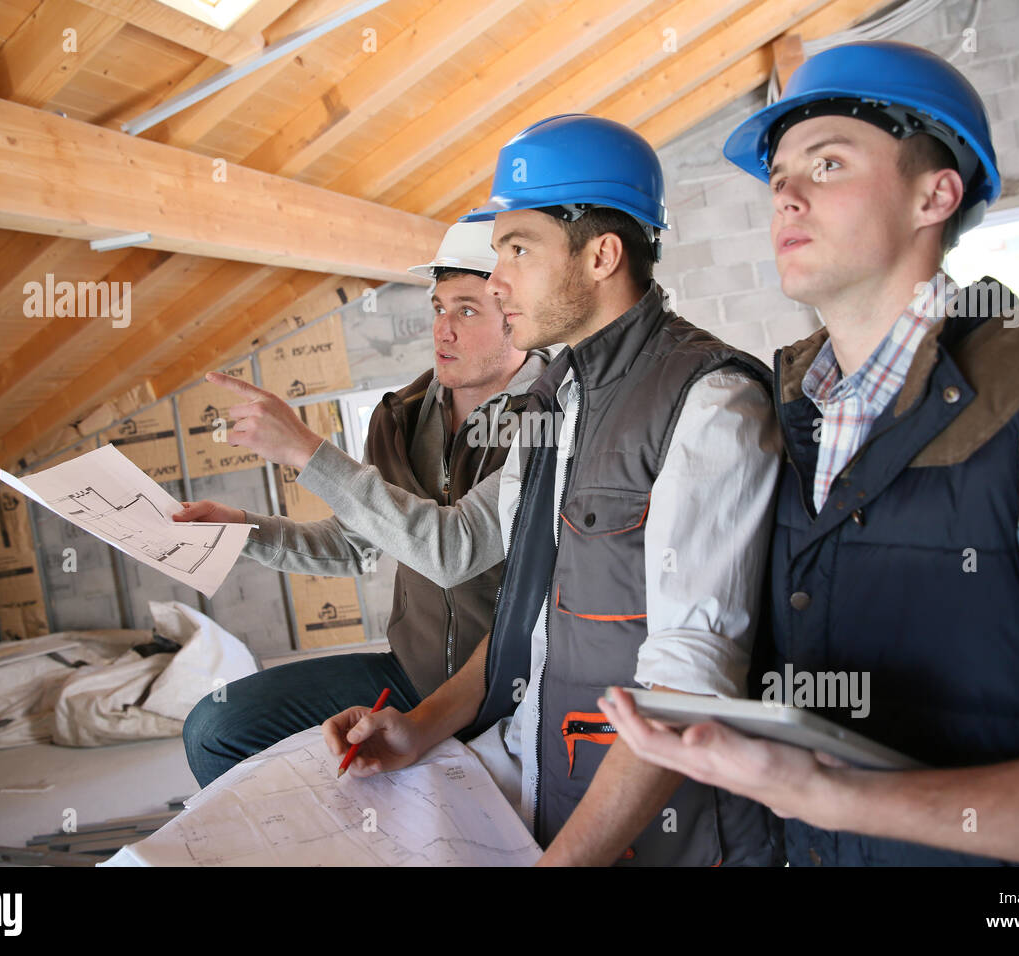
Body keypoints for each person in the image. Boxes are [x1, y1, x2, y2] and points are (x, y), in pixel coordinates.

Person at [600, 40, 1019, 866]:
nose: (786, 196)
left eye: (826, 164)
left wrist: (835, 795)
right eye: (778, 176)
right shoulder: (788, 412)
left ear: (935, 195)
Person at [207, 114, 785, 866]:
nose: (499, 275)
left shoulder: (709, 403)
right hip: (530, 758)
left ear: (603, 254)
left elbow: (688, 689)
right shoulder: (558, 403)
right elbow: (528, 624)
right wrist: (420, 726)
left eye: (516, 249)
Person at [178, 221, 549, 788]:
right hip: (414, 671)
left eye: (467, 311)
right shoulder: (402, 415)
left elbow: (454, 550)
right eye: (438, 307)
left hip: (509, 686)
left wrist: (306, 451)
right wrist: (242, 531)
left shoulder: (550, 420)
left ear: (515, 314)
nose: (442, 330)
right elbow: (356, 545)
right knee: (217, 726)